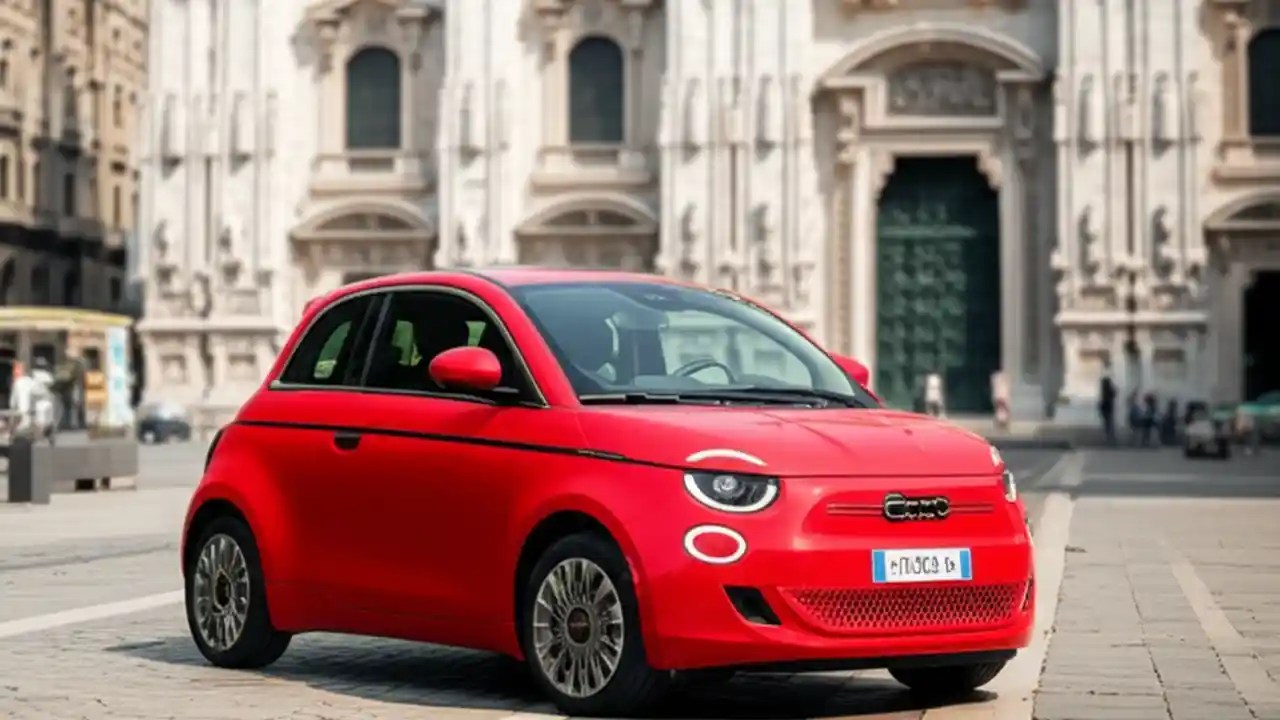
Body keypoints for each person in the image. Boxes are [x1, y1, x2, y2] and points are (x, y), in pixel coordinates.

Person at [1099, 365, 1117, 444]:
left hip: (1106, 408)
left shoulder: (1105, 392)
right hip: (1108, 407)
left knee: (1107, 423)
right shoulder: (1108, 392)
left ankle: (1108, 436)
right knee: (1109, 422)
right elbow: (1114, 394)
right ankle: (1110, 436)